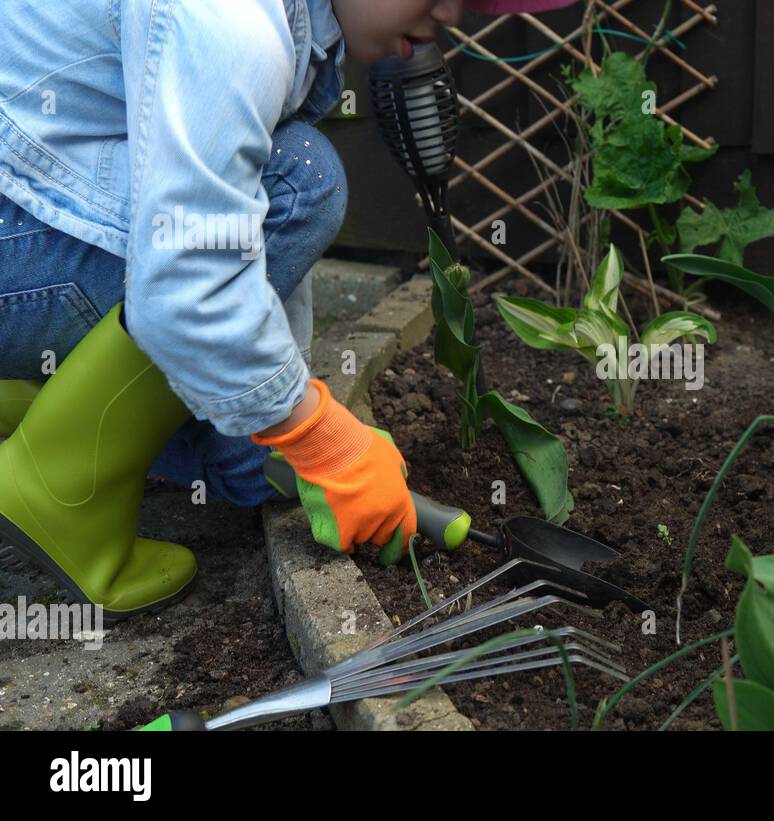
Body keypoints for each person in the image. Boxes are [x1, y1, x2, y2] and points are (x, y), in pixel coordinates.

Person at [0, 0, 579, 621]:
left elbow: (248, 241)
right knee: (303, 178)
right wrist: (317, 436)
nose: (454, 14)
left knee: (250, 465)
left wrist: (287, 422)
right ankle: (59, 485)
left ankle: (35, 398)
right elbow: (188, 282)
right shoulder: (230, 22)